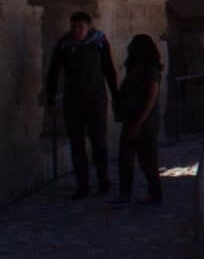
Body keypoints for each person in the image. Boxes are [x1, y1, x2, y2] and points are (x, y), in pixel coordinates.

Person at [44, 11, 119, 200]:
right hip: (73, 100)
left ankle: (103, 179)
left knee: (98, 141)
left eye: (81, 27)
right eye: (74, 27)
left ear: (89, 27)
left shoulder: (98, 42)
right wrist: (50, 99)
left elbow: (108, 69)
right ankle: (83, 184)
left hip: (96, 98)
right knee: (76, 143)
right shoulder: (65, 44)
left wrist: (115, 94)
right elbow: (53, 72)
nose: (77, 31)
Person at [111, 35, 163, 206]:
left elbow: (151, 99)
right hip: (132, 118)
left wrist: (139, 123)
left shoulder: (151, 71)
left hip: (144, 122)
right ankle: (125, 194)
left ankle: (155, 193)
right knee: (125, 157)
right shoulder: (135, 69)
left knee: (147, 159)